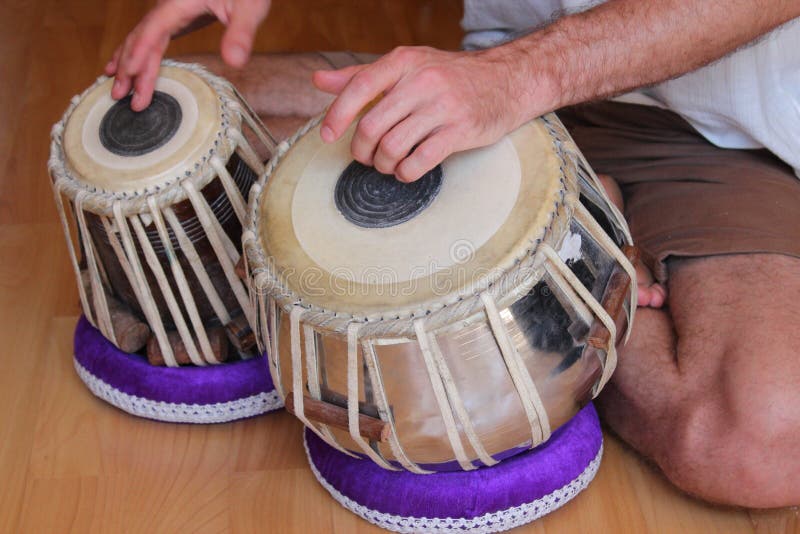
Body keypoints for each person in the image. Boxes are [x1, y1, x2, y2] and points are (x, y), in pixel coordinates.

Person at [106, 0, 800, 508]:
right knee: (153, 111)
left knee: (755, 444)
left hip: (712, 132)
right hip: (489, 83)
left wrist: (520, 79)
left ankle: (577, 248)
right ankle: (554, 246)